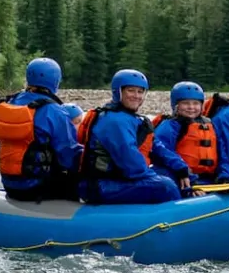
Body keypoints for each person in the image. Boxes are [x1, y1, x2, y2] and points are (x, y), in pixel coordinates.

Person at [76, 69, 182, 205]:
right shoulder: (114, 121)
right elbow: (131, 164)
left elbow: (156, 147)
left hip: (119, 180)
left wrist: (181, 169)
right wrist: (155, 178)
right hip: (103, 185)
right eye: (131, 90)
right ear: (118, 92)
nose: (136, 96)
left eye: (140, 91)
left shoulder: (134, 119)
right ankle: (177, 220)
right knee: (165, 186)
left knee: (167, 174)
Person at [0, 57, 83, 200]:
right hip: (38, 186)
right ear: (55, 82)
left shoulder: (12, 102)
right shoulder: (53, 111)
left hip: (8, 182)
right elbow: (69, 155)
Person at [150, 81, 225, 196]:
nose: (191, 107)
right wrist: (188, 177)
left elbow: (223, 155)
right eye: (185, 103)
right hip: (181, 178)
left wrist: (225, 175)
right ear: (176, 105)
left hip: (207, 180)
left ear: (201, 106)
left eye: (195, 103)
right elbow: (163, 152)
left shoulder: (211, 125)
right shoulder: (169, 126)